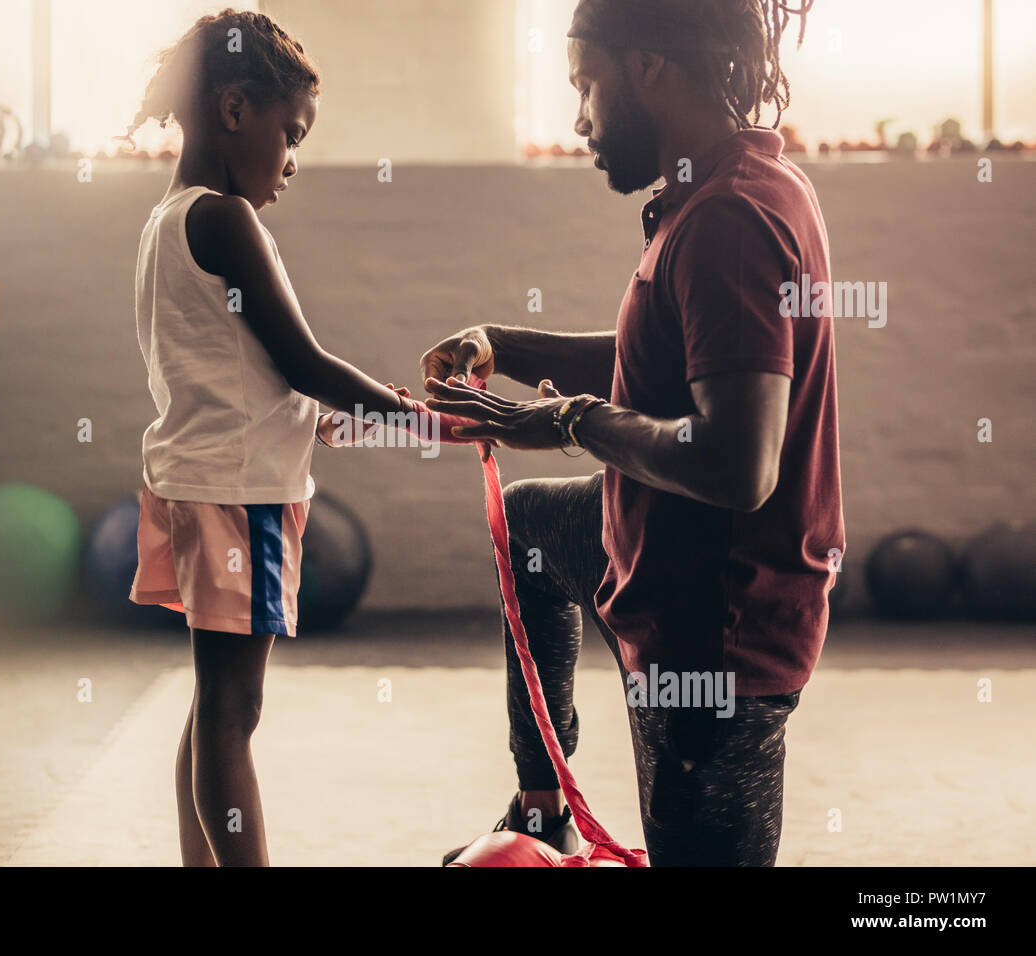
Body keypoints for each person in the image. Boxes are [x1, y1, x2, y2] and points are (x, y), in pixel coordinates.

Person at [423, 0, 842, 866]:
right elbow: (670, 359)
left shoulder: (729, 222)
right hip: (650, 552)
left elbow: (739, 464)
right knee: (532, 527)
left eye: (588, 86)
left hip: (713, 634)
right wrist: (507, 346)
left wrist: (572, 420)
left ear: (649, 67)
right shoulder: (726, 193)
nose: (579, 120)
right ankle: (541, 803)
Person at [124, 9, 473, 867]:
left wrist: (317, 417)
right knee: (234, 716)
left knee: (216, 708)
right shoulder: (227, 222)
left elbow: (232, 370)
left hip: (201, 484)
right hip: (240, 501)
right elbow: (305, 361)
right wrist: (426, 418)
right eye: (292, 135)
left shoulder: (168, 222)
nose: (292, 162)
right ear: (236, 109)